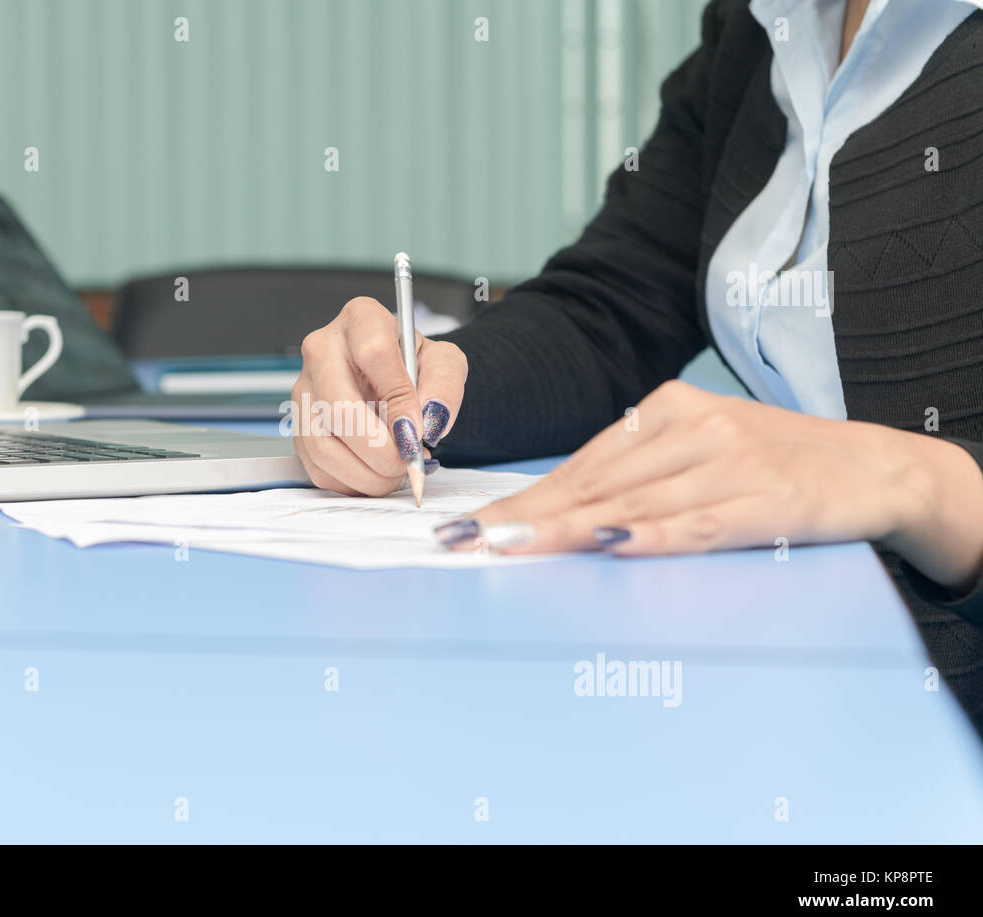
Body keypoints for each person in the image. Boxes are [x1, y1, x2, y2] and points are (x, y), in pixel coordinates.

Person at [289, 0, 983, 730]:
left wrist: (918, 482)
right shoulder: (758, 28)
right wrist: (433, 380)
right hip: (794, 681)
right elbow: (614, 306)